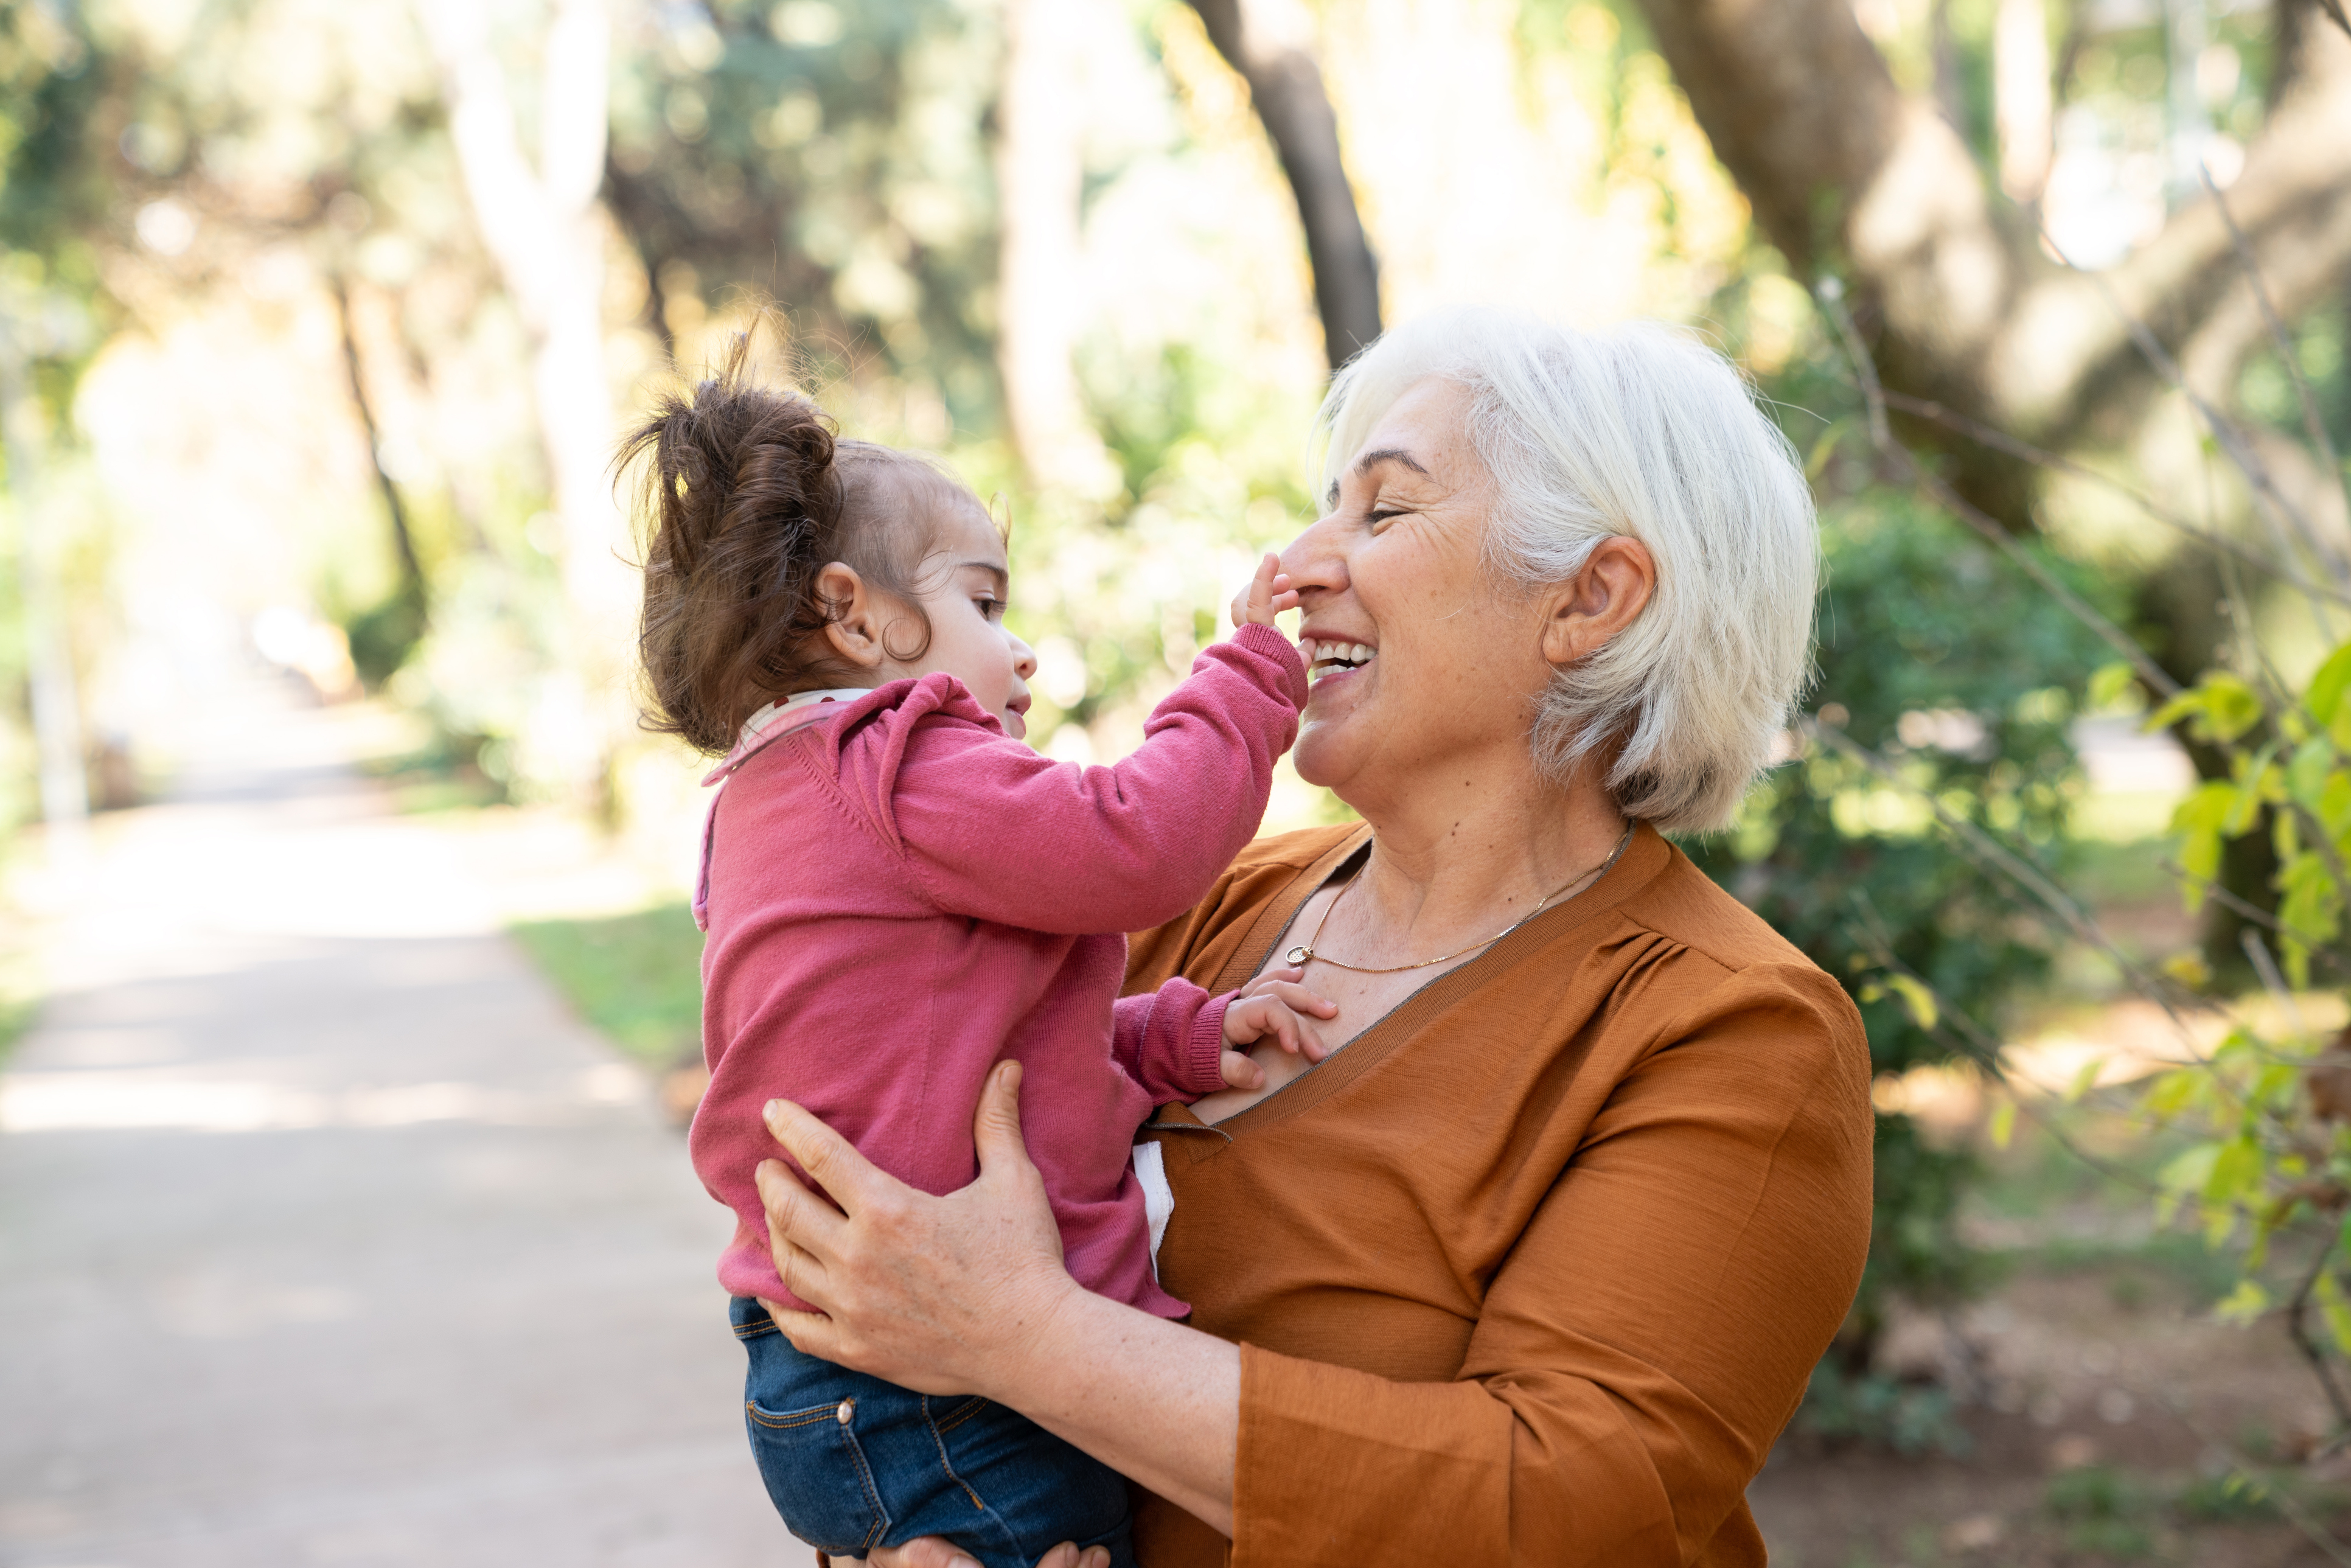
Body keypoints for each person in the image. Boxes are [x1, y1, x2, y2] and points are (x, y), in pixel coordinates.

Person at [748, 306, 1877, 1567]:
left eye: (1384, 511)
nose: (1299, 560)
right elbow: (884, 1287)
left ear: (1591, 598)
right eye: (1324, 506)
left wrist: (1030, 1337)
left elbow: (1569, 1506)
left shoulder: (1732, 1028)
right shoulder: (1197, 912)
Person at [619, 340, 1346, 1568]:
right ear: (855, 613)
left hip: (826, 1375)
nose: (1023, 652)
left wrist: (1177, 1033)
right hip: (939, 1396)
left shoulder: (766, 801)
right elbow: (1141, 839)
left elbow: (963, 1049)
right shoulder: (897, 760)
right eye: (985, 604)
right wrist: (1249, 676)